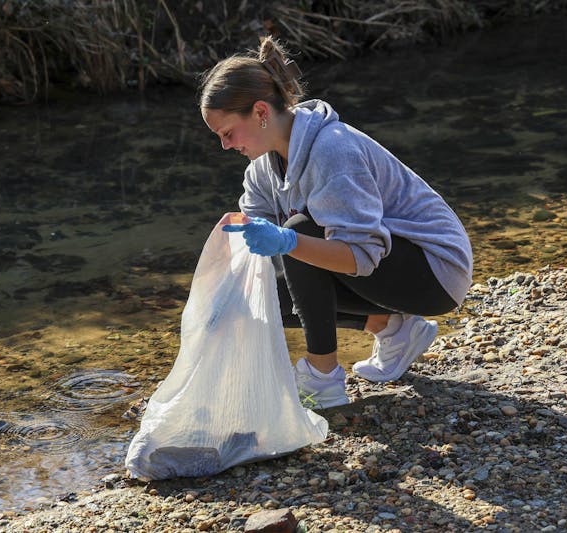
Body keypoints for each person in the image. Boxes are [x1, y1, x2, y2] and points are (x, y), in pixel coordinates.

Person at [198, 37, 473, 409]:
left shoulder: (332, 150)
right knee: (263, 298)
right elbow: (256, 248)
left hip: (436, 270)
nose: (225, 146)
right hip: (385, 267)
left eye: (227, 133)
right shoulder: (262, 169)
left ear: (261, 111)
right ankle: (394, 329)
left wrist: (288, 242)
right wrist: (221, 293)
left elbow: (361, 256)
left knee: (297, 232)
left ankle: (323, 378)